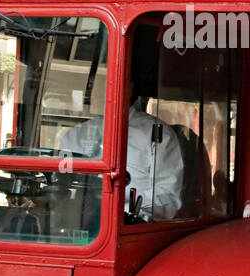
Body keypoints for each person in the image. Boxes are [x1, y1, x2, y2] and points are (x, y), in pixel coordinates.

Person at [59, 77, 185, 222]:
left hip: (128, 226)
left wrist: (121, 214)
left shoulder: (156, 134)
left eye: (103, 81)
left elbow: (167, 197)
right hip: (74, 222)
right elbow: (61, 184)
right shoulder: (74, 136)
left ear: (128, 88)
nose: (95, 90)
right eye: (93, 83)